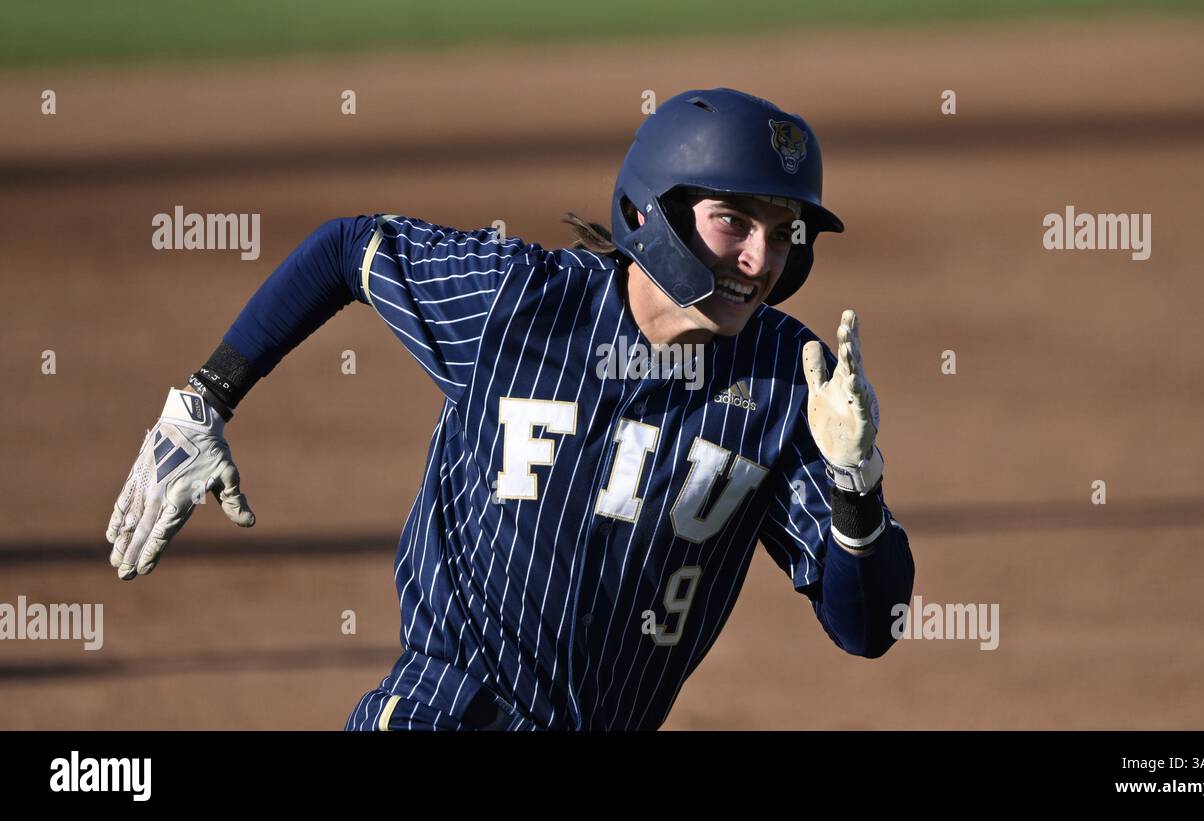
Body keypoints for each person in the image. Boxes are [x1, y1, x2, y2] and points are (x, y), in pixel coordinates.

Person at [105, 87, 915, 731]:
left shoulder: (788, 380)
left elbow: (868, 627)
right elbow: (349, 248)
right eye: (733, 223)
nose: (759, 259)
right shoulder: (523, 303)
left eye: (783, 233)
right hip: (439, 716)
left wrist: (858, 481)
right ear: (652, 211)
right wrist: (202, 401)